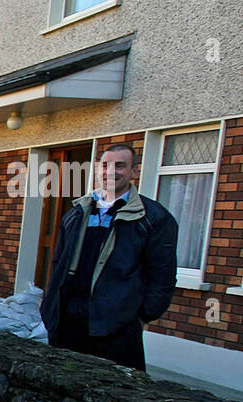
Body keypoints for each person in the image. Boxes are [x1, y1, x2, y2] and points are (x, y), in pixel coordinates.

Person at [40, 143, 177, 370]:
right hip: (67, 323)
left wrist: (139, 318)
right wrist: (50, 307)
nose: (110, 172)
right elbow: (58, 265)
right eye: (105, 166)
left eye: (120, 166)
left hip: (116, 331)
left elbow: (162, 277)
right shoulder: (77, 212)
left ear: (134, 172)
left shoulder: (154, 219)